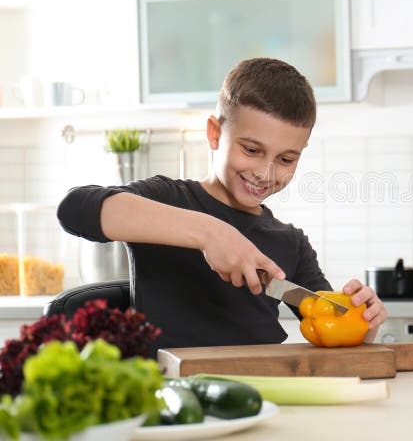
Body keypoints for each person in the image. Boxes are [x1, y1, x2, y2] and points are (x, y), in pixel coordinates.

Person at [57, 58, 387, 354]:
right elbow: (74, 209)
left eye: (286, 158)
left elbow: (332, 330)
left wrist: (363, 321)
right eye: (252, 150)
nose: (264, 172)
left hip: (265, 398)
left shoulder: (292, 244)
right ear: (215, 133)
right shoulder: (168, 200)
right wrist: (209, 233)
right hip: (172, 400)